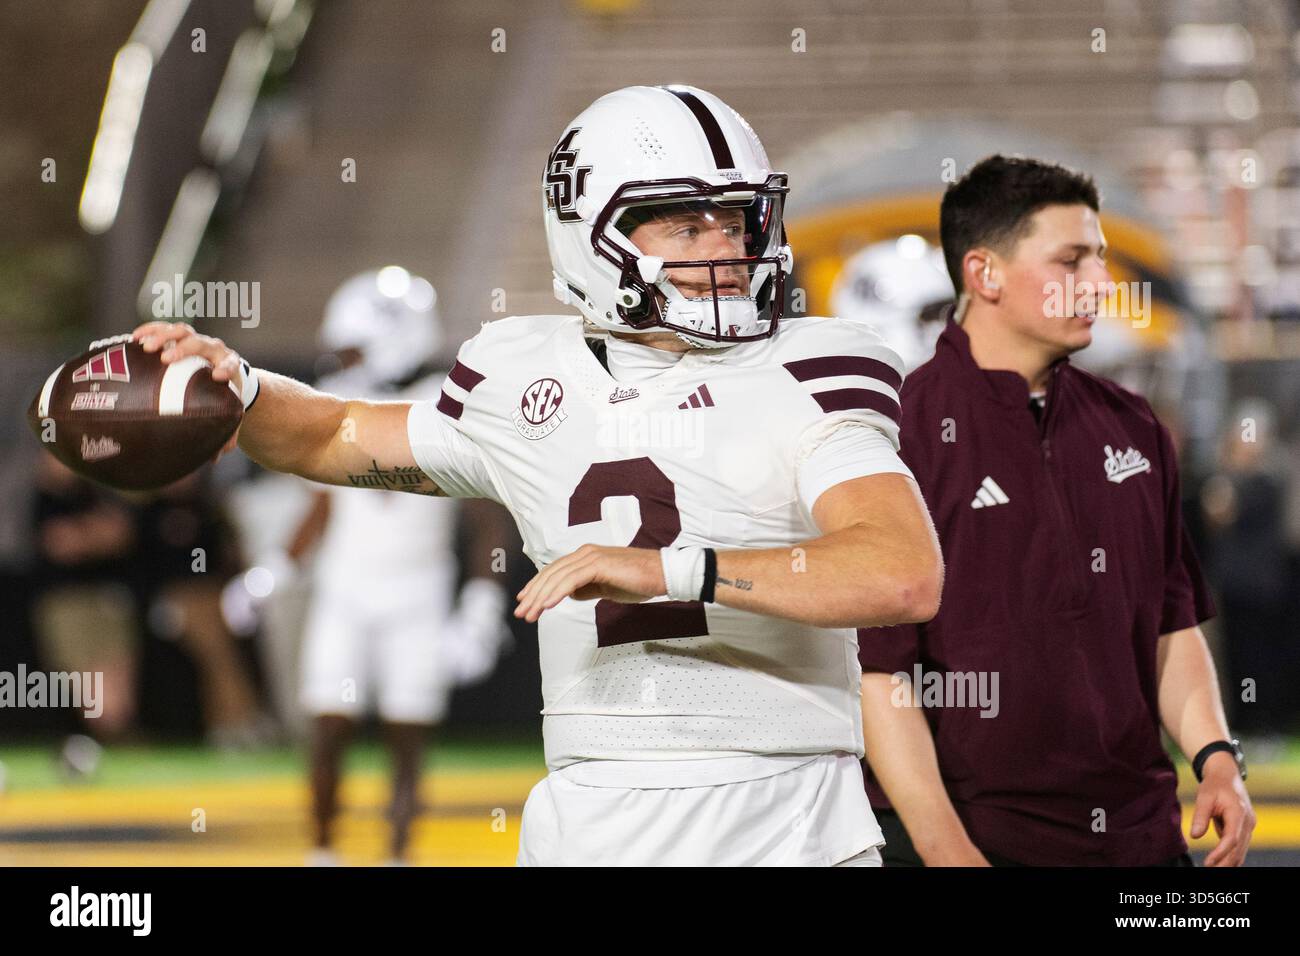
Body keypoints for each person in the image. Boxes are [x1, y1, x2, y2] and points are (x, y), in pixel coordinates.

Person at [133, 84, 942, 867]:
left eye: (735, 220)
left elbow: (900, 572)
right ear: (590, 235)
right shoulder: (518, 373)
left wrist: (669, 571)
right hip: (586, 815)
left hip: (780, 815)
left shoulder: (814, 365)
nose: (727, 253)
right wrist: (238, 387)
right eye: (685, 228)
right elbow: (334, 434)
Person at [858, 155, 1256, 867]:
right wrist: (944, 848)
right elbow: (881, 676)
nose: (1101, 284)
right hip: (980, 845)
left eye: (1099, 259)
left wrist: (1216, 756)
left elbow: (1171, 626)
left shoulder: (1133, 425)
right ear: (985, 275)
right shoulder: (898, 438)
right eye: (1072, 261)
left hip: (1145, 843)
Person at [283, 267, 511, 865]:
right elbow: (321, 502)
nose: (341, 358)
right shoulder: (340, 397)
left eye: (353, 346)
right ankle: (323, 852)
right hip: (345, 586)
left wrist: (482, 602)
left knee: (407, 732)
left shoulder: (450, 398)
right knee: (328, 722)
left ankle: (397, 855)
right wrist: (273, 571)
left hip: (419, 589)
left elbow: (486, 511)